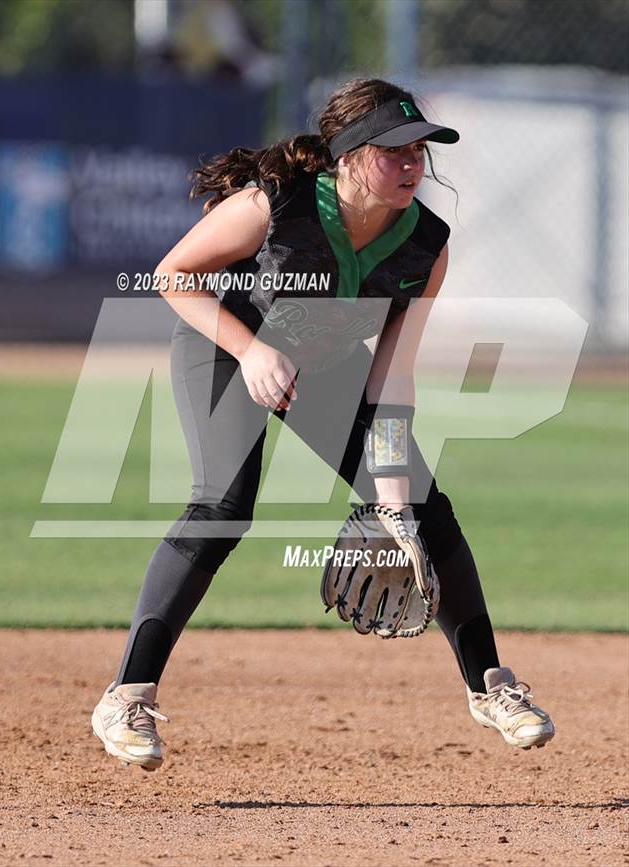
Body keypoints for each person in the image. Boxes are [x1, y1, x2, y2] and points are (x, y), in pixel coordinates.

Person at [91, 78, 554, 771]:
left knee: (425, 510)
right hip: (226, 347)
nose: (411, 164)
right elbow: (173, 274)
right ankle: (127, 693)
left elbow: (391, 384)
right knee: (223, 504)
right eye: (393, 150)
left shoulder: (426, 244)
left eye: (419, 149)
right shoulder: (274, 203)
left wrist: (392, 503)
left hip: (323, 359)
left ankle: (490, 685)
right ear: (347, 155)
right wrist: (250, 351)